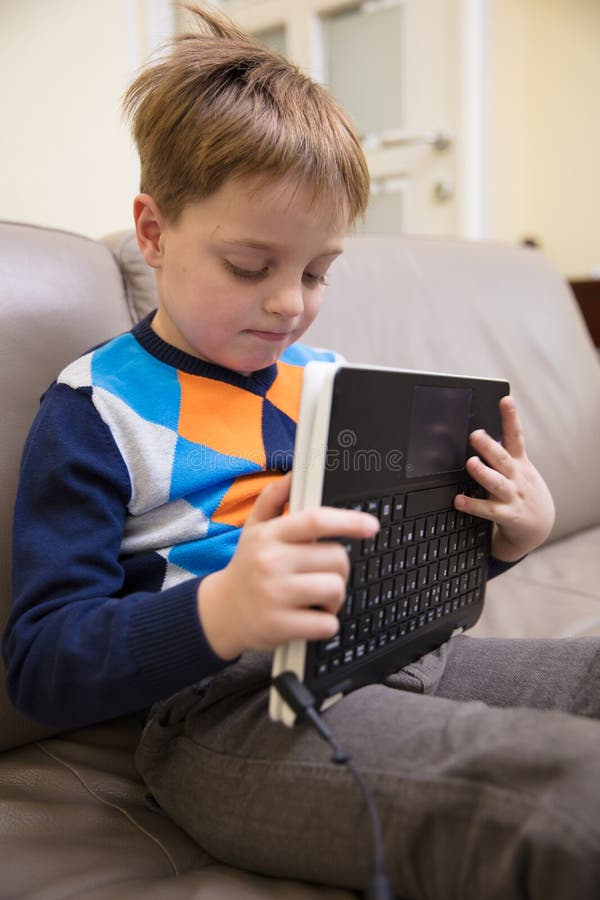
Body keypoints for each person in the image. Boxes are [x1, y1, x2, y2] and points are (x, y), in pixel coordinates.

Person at [4, 7, 599, 898]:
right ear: (155, 233)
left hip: (397, 651)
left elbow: (387, 558)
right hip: (228, 707)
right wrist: (222, 610)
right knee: (565, 794)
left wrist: (501, 540)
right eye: (252, 265)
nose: (290, 304)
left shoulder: (325, 377)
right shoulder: (94, 407)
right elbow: (41, 659)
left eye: (319, 271)